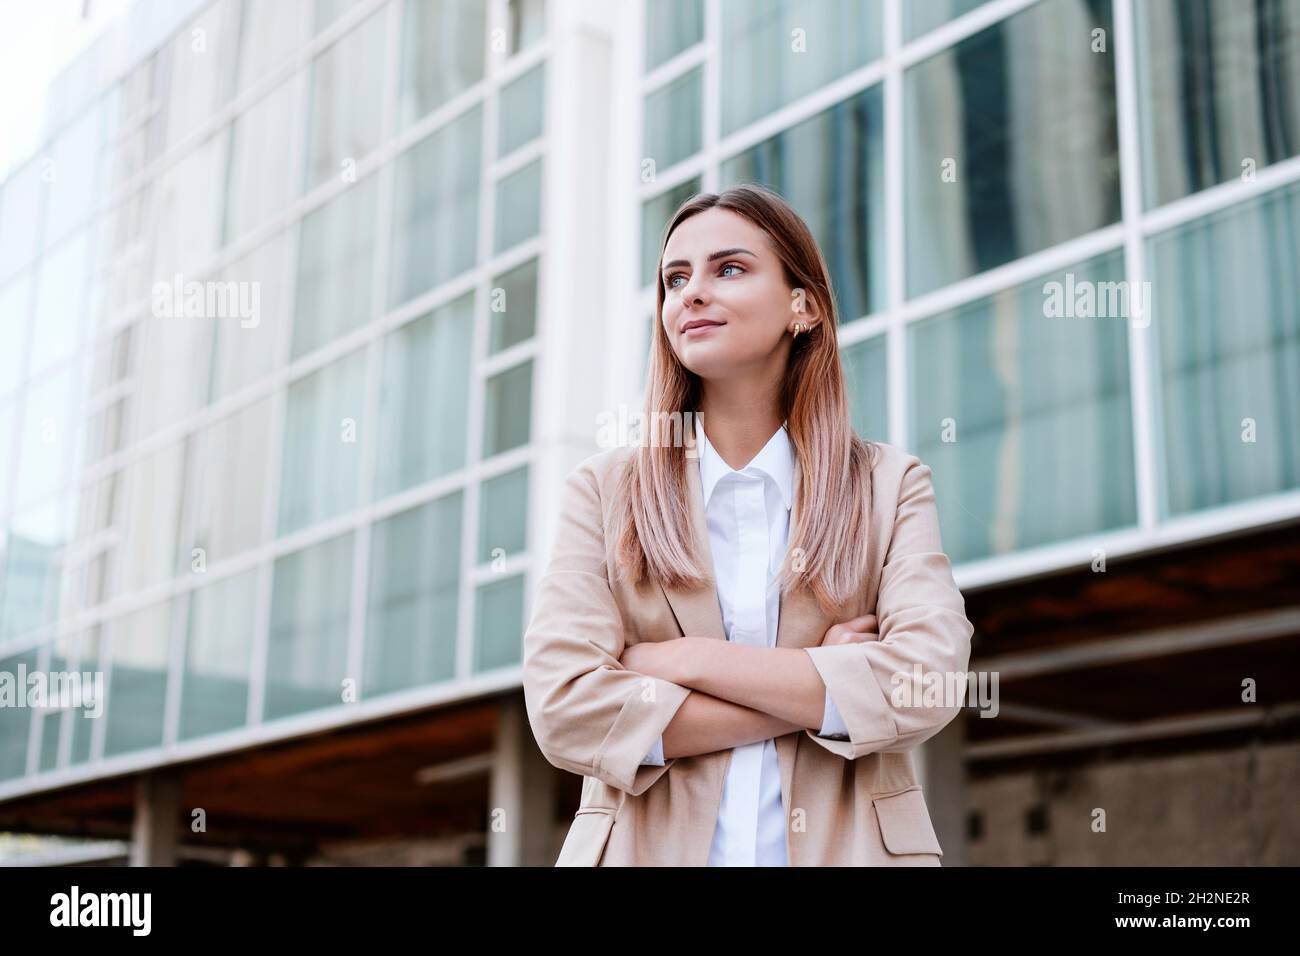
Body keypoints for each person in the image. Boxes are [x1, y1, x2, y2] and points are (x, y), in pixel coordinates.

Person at [522, 183, 973, 866]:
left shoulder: (889, 485)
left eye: (728, 269)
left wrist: (684, 662)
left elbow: (926, 683)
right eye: (676, 279)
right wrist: (819, 682)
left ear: (805, 306)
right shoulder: (603, 492)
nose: (692, 294)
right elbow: (565, 708)